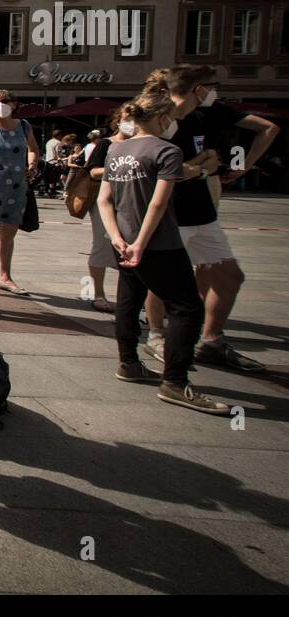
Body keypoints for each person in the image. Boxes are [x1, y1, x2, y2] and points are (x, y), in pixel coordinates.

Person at [97, 92, 230, 415]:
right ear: (161, 119)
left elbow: (104, 200)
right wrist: (141, 243)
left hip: (121, 240)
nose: (173, 123)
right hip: (158, 244)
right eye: (170, 117)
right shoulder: (168, 150)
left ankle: (128, 363)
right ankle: (175, 380)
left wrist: (117, 238)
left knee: (128, 302)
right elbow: (158, 203)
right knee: (186, 308)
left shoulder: (116, 149)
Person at [141, 65, 279, 372]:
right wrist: (204, 164)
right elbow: (152, 164)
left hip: (201, 209)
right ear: (198, 89)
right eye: (213, 86)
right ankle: (157, 335)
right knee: (164, 281)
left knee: (230, 276)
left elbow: (268, 128)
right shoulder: (161, 118)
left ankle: (211, 340)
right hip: (171, 211)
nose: (216, 91)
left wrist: (239, 165)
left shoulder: (211, 111)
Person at [0, 89, 40, 297]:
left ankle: (5, 276)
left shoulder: (24, 126)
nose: (1, 105)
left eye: (5, 101)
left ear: (14, 104)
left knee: (8, 232)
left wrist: (32, 164)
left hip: (16, 187)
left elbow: (33, 149)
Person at [83, 109, 126, 312]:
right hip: (104, 201)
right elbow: (92, 171)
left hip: (132, 202)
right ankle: (97, 294)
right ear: (117, 122)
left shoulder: (142, 144)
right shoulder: (106, 144)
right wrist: (121, 168)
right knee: (101, 244)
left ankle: (129, 298)